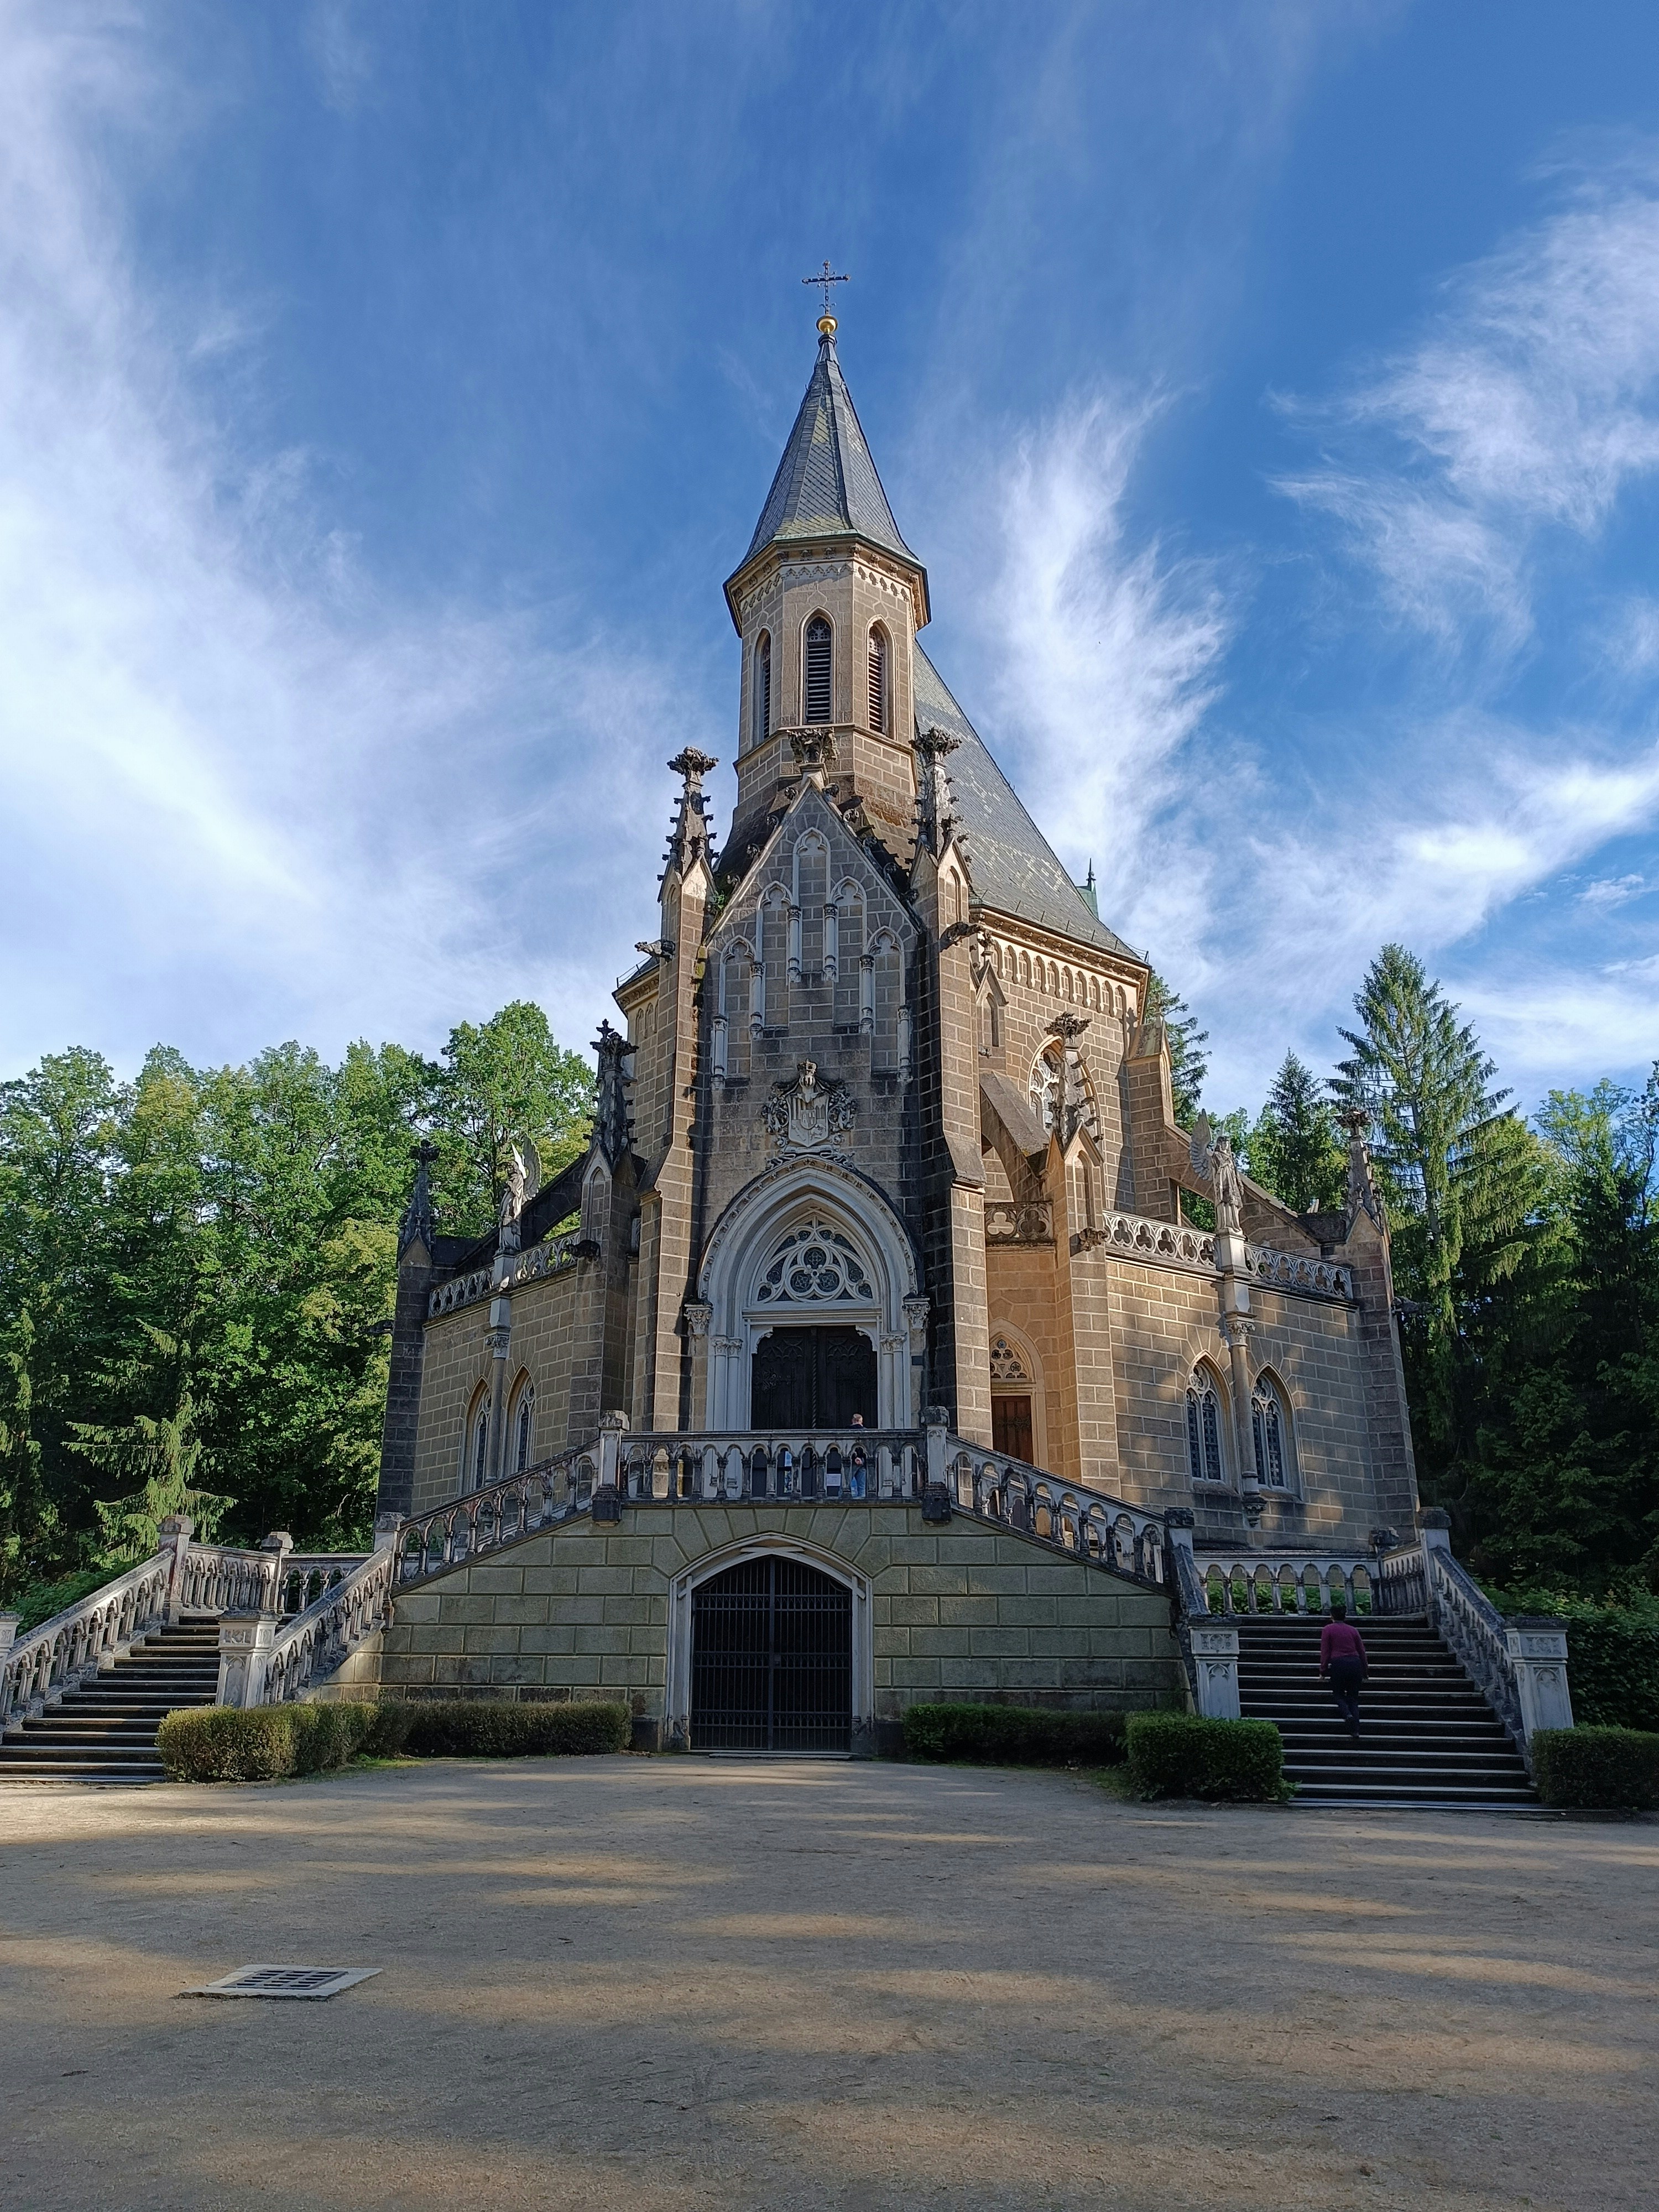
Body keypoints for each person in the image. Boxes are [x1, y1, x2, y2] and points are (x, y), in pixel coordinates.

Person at [1319, 1597, 1369, 1743]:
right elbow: (1362, 1650)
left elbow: (1325, 1652)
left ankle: (1347, 1715)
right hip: (1355, 1664)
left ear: (1332, 1616)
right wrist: (1365, 1670)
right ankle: (1356, 1729)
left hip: (1338, 1664)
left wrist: (1323, 1671)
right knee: (1353, 1698)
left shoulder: (1328, 1629)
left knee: (1339, 1694)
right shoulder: (1353, 1630)